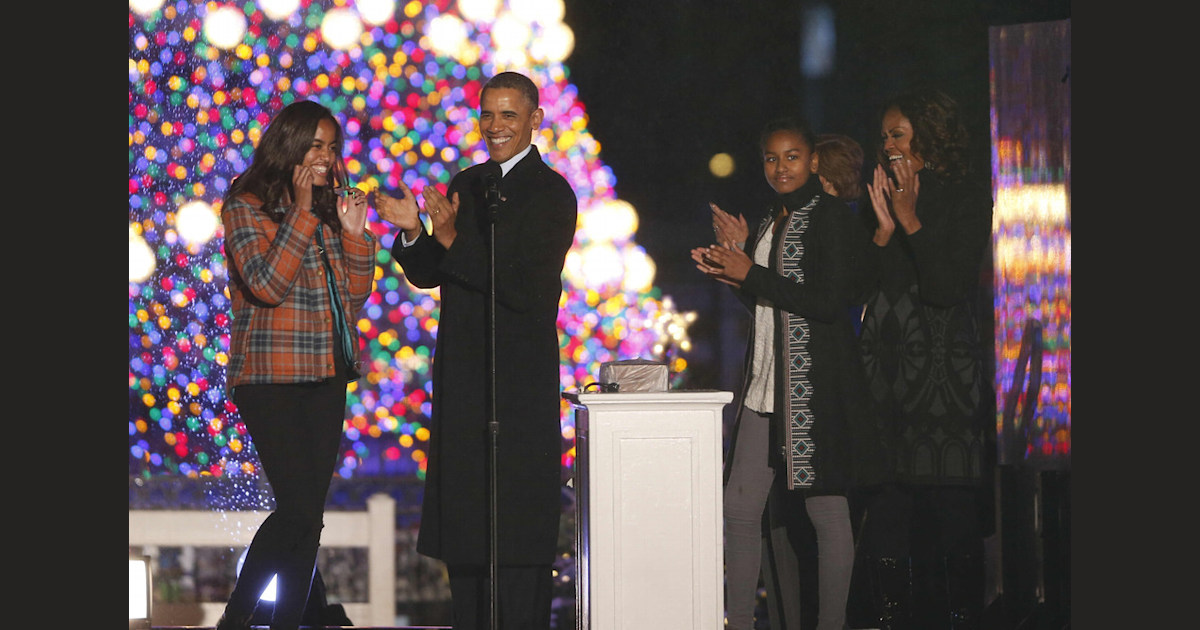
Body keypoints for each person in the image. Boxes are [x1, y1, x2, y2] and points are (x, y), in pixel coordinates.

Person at [373, 71, 578, 630]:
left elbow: (527, 289)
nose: (495, 126)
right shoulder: (468, 182)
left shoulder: (551, 193)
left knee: (516, 534)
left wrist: (452, 239)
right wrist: (414, 232)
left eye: (509, 114)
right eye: (487, 114)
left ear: (535, 119)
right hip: (464, 374)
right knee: (466, 531)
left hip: (518, 381)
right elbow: (432, 273)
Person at [692, 116, 879, 630]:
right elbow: (769, 308)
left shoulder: (831, 218)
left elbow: (828, 302)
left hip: (813, 387)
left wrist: (750, 272)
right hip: (766, 384)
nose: (781, 167)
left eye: (792, 156)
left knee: (827, 510)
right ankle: (738, 622)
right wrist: (735, 269)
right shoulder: (772, 219)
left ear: (813, 161)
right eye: (771, 158)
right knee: (739, 507)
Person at [216, 100, 376, 630]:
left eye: (332, 147)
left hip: (325, 375)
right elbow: (267, 283)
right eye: (315, 146)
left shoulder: (329, 208)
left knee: (308, 515)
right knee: (300, 512)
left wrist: (354, 235)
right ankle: (237, 619)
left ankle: (285, 623)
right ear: (289, 146)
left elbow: (351, 300)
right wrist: (303, 212)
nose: (326, 157)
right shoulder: (245, 205)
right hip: (269, 376)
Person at [853, 88, 995, 630]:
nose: (887, 144)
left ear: (929, 136)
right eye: (884, 136)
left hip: (943, 373)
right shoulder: (879, 194)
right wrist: (883, 233)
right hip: (885, 372)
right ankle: (889, 619)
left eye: (898, 134)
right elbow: (863, 289)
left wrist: (911, 219)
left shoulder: (965, 194)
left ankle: (961, 618)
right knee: (886, 504)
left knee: (950, 503)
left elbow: (947, 287)